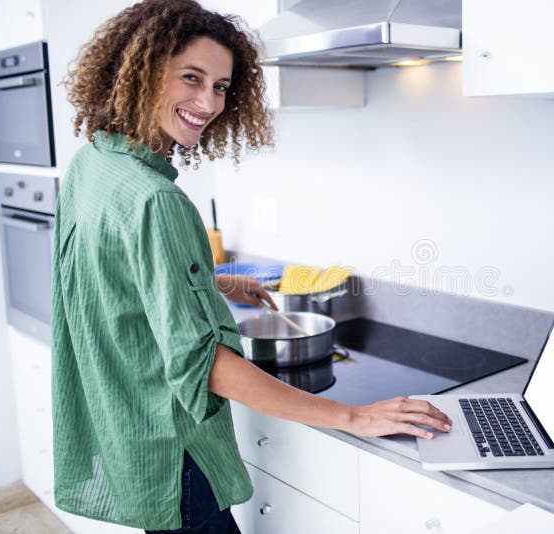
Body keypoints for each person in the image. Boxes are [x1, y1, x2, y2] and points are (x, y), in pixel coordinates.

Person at [51, 1, 452, 532]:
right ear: (142, 70)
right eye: (190, 78)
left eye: (220, 86)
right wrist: (355, 415)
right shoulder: (156, 201)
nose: (207, 101)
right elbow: (205, 363)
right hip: (179, 455)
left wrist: (211, 283)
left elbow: (109, 279)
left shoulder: (94, 163)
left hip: (131, 433)